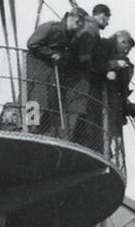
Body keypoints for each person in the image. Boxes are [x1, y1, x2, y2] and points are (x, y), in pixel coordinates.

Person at [24, 8, 90, 139]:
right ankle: (29, 131)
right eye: (79, 24)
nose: (78, 29)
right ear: (73, 19)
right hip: (39, 73)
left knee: (53, 105)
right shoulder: (50, 28)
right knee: (35, 101)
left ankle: (48, 134)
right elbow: (32, 44)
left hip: (55, 76)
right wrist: (51, 54)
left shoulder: (71, 37)